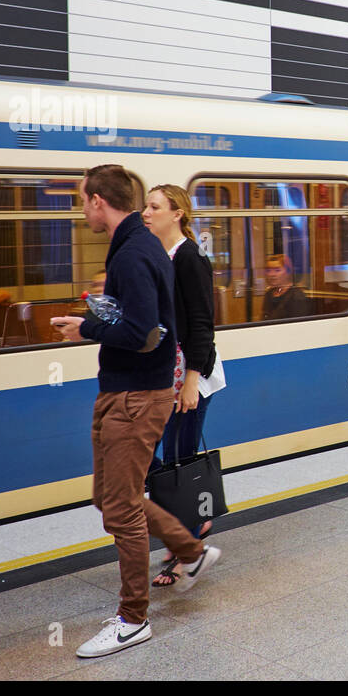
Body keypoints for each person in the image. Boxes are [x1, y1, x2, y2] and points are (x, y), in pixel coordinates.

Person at [50, 165, 220, 659]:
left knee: (121, 506)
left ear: (100, 201)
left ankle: (133, 619)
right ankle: (190, 550)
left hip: (136, 396)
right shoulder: (134, 247)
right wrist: (96, 314)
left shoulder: (132, 251)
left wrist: (85, 330)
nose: (83, 209)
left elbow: (148, 335)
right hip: (123, 389)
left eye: (84, 200)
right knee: (109, 497)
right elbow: (144, 319)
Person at [142, 184, 226, 587]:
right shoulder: (161, 256)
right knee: (167, 461)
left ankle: (187, 549)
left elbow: (201, 322)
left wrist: (192, 379)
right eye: (146, 205)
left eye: (154, 206)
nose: (146, 212)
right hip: (166, 375)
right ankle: (187, 534)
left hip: (190, 375)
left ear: (177, 213)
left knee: (181, 462)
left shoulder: (191, 257)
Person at [262, 254, 309, 319]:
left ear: (288, 272)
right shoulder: (269, 293)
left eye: (277, 270)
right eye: (268, 270)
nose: (272, 274)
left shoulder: (296, 295)